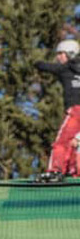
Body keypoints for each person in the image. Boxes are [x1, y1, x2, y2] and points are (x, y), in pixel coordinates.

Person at [34, 39, 80, 182]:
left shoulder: (64, 68)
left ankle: (55, 170)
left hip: (75, 111)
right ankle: (73, 170)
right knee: (74, 142)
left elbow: (46, 67)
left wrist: (35, 63)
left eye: (61, 54)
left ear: (70, 54)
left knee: (61, 142)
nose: (58, 57)